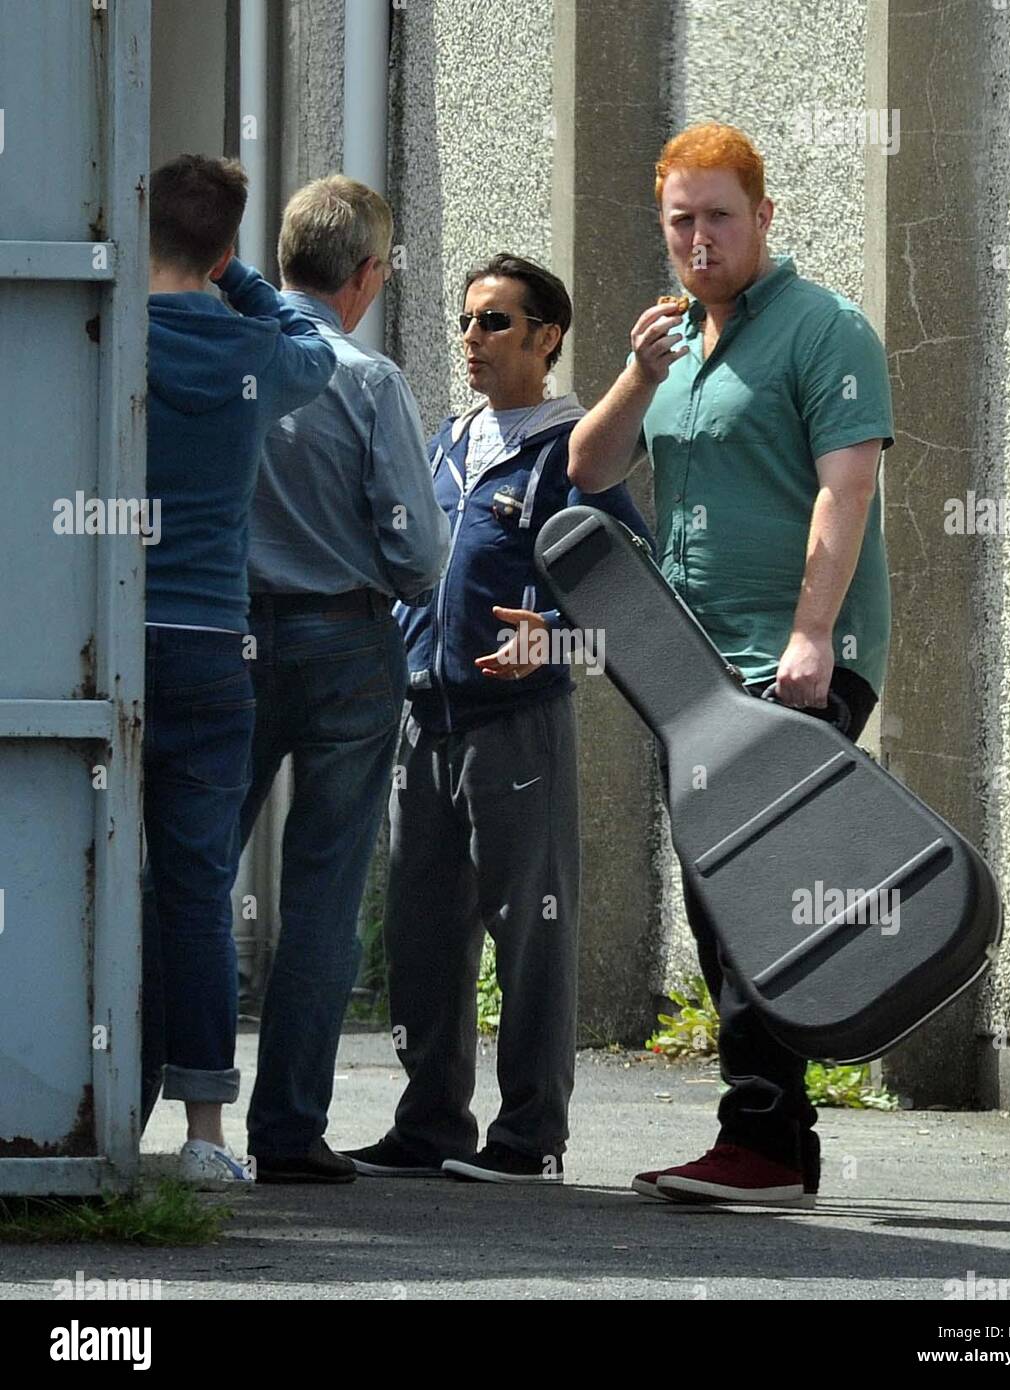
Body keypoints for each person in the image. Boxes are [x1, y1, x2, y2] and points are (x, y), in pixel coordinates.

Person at [569, 121, 894, 1207]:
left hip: (797, 659)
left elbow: (845, 490)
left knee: (752, 887)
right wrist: (632, 371)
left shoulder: (822, 329)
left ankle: (763, 1138)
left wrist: (810, 636)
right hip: (689, 671)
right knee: (722, 893)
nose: (699, 239)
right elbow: (590, 465)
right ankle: (771, 1139)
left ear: (764, 216)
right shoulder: (672, 346)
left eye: (718, 216)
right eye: (680, 221)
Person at [342, 255, 654, 1184]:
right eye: (468, 322)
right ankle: (430, 1123)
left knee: (531, 929)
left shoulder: (574, 448)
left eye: (496, 324)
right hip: (420, 719)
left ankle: (529, 1139)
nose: (472, 340)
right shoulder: (445, 441)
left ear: (547, 338)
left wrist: (552, 638)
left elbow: (630, 591)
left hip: (517, 722)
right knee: (424, 928)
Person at [239, 176, 450, 1184]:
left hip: (223, 641)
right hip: (346, 645)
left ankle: (133, 1108)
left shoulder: (221, 360)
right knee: (322, 896)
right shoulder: (365, 382)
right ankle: (285, 1131)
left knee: (183, 880)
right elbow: (418, 558)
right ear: (364, 276)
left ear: (285, 260)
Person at [141, 155, 336, 1185]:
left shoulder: (103, 337)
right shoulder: (257, 352)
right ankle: (207, 1134)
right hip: (215, 646)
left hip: (106, 643)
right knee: (196, 891)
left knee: (80, 877)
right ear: (222, 250)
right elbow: (323, 340)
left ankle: (82, 1114)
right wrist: (242, 279)